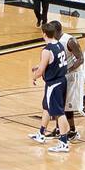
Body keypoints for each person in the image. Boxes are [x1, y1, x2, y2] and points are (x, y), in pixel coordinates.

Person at [29, 21, 71, 153]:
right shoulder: (59, 44)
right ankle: (41, 134)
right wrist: (39, 65)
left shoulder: (46, 50)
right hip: (61, 81)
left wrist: (34, 76)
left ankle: (64, 142)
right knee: (47, 107)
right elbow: (54, 62)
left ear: (44, 33)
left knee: (59, 113)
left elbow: (41, 71)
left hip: (54, 84)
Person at [52, 20, 85, 141]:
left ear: (57, 31)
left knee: (68, 106)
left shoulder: (70, 41)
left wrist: (68, 70)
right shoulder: (54, 40)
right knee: (58, 103)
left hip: (72, 76)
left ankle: (72, 131)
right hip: (61, 76)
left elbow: (81, 59)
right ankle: (58, 129)